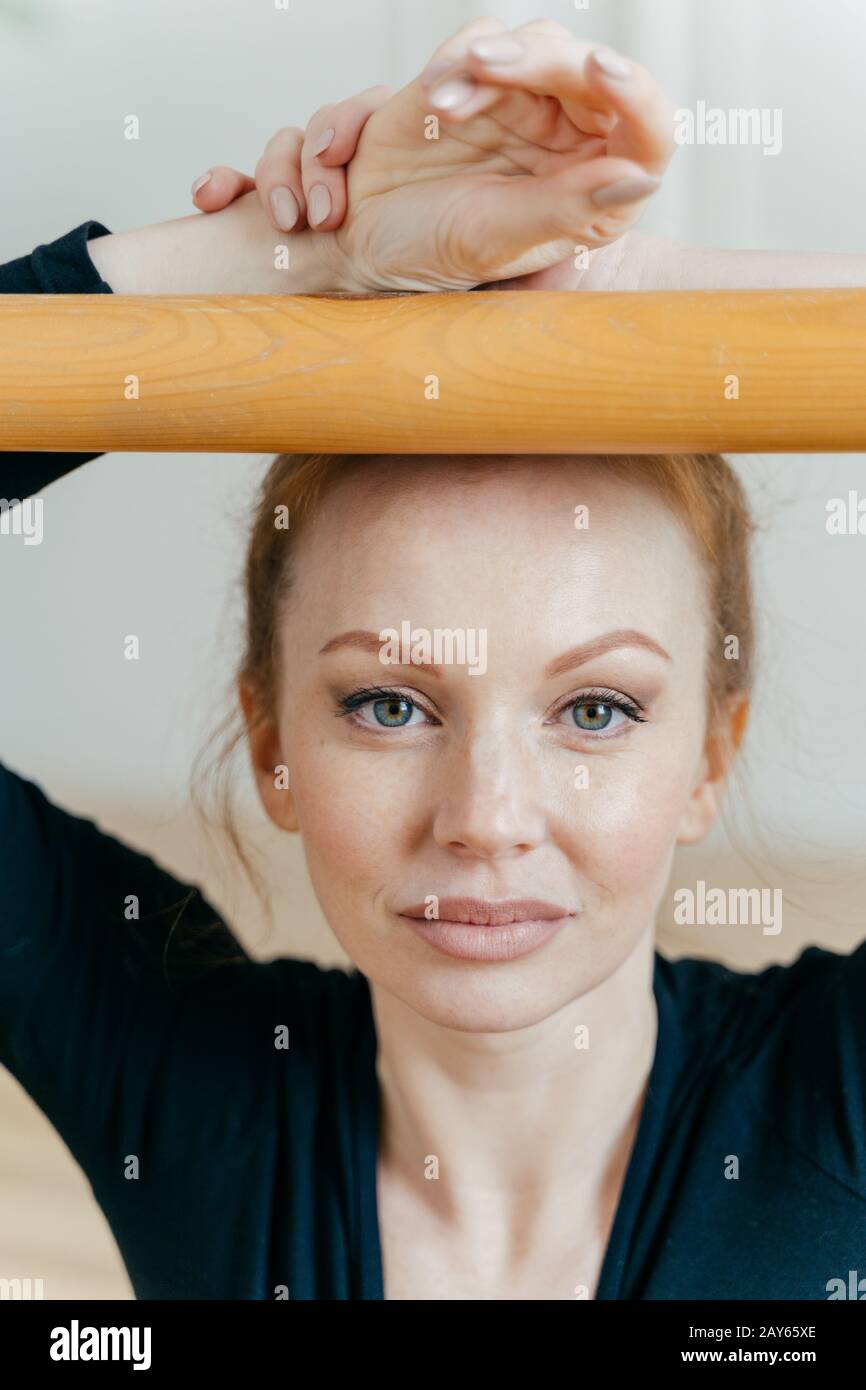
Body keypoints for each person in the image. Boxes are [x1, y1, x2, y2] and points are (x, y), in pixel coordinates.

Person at [2, 17, 865, 1301]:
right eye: (390, 702)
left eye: (593, 708)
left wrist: (637, 287)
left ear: (710, 752)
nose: (486, 820)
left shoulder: (830, 1102)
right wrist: (288, 254)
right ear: (271, 740)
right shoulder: (179, 1077)